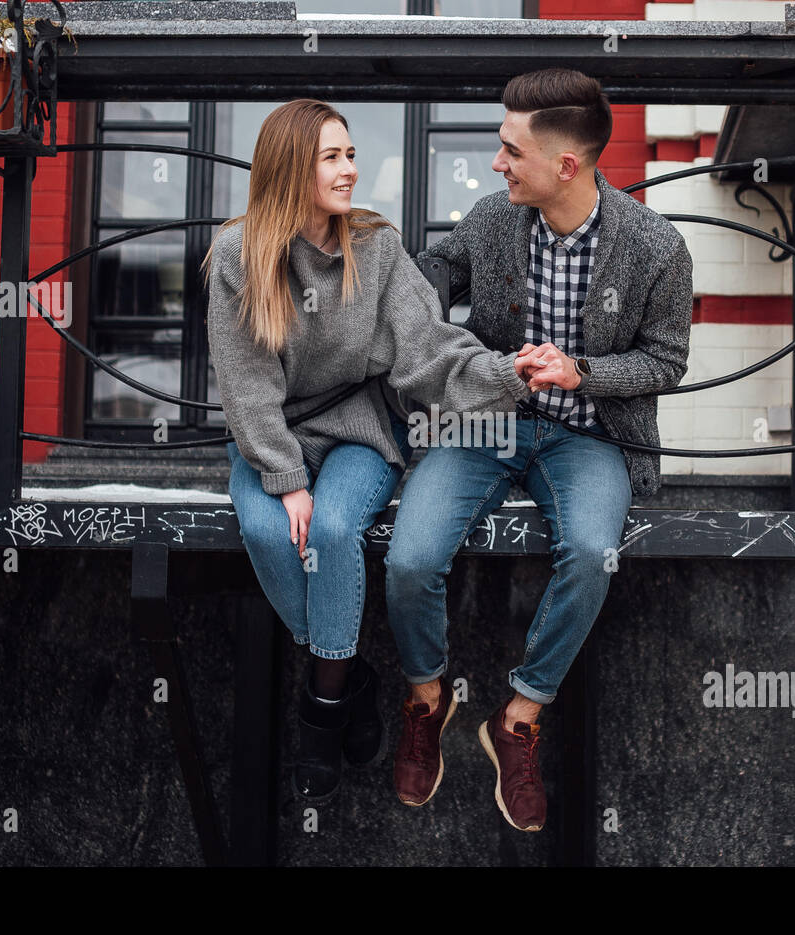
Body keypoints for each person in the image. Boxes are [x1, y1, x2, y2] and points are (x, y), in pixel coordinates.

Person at [384, 68, 694, 832]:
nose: (497, 163)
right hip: (489, 426)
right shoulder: (495, 219)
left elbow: (666, 361)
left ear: (567, 164)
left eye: (509, 149)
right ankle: (427, 697)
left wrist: (581, 371)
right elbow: (431, 278)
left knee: (592, 552)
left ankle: (519, 716)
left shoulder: (657, 248)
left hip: (590, 435)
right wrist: (384, 277)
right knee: (411, 556)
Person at [203, 98, 535, 804]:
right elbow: (245, 380)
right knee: (268, 530)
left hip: (357, 429)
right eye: (332, 157)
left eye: (350, 154)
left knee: (332, 531)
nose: (349, 169)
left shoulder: (375, 247)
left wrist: (503, 375)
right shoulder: (239, 253)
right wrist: (286, 475)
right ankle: (348, 674)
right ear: (293, 166)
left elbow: (424, 346)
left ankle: (320, 711)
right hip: (269, 440)